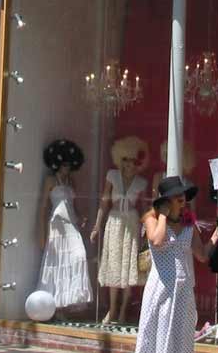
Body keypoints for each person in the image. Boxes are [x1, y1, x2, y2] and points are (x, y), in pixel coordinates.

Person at [135, 176, 218, 353]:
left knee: (181, 340)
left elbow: (202, 255)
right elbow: (157, 241)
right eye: (176, 195)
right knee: (158, 338)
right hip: (161, 290)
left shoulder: (189, 223)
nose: (181, 197)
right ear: (165, 200)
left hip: (183, 291)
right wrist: (164, 215)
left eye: (182, 194)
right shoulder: (152, 219)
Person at [90, 135, 148, 325]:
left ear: (137, 163)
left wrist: (147, 229)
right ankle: (112, 308)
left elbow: (145, 208)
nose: (127, 165)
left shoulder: (141, 183)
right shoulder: (112, 176)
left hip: (131, 223)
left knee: (128, 265)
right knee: (114, 264)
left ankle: (123, 309)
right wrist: (97, 226)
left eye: (131, 162)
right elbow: (104, 201)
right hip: (114, 222)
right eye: (124, 160)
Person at [37, 139, 92, 315]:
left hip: (71, 224)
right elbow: (43, 206)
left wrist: (81, 216)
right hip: (57, 225)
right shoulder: (50, 180)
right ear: (57, 163)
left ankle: (70, 300)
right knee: (57, 262)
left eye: (69, 164)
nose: (66, 167)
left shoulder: (71, 182)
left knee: (78, 256)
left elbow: (74, 205)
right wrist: (41, 233)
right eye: (64, 164)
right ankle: (56, 305)